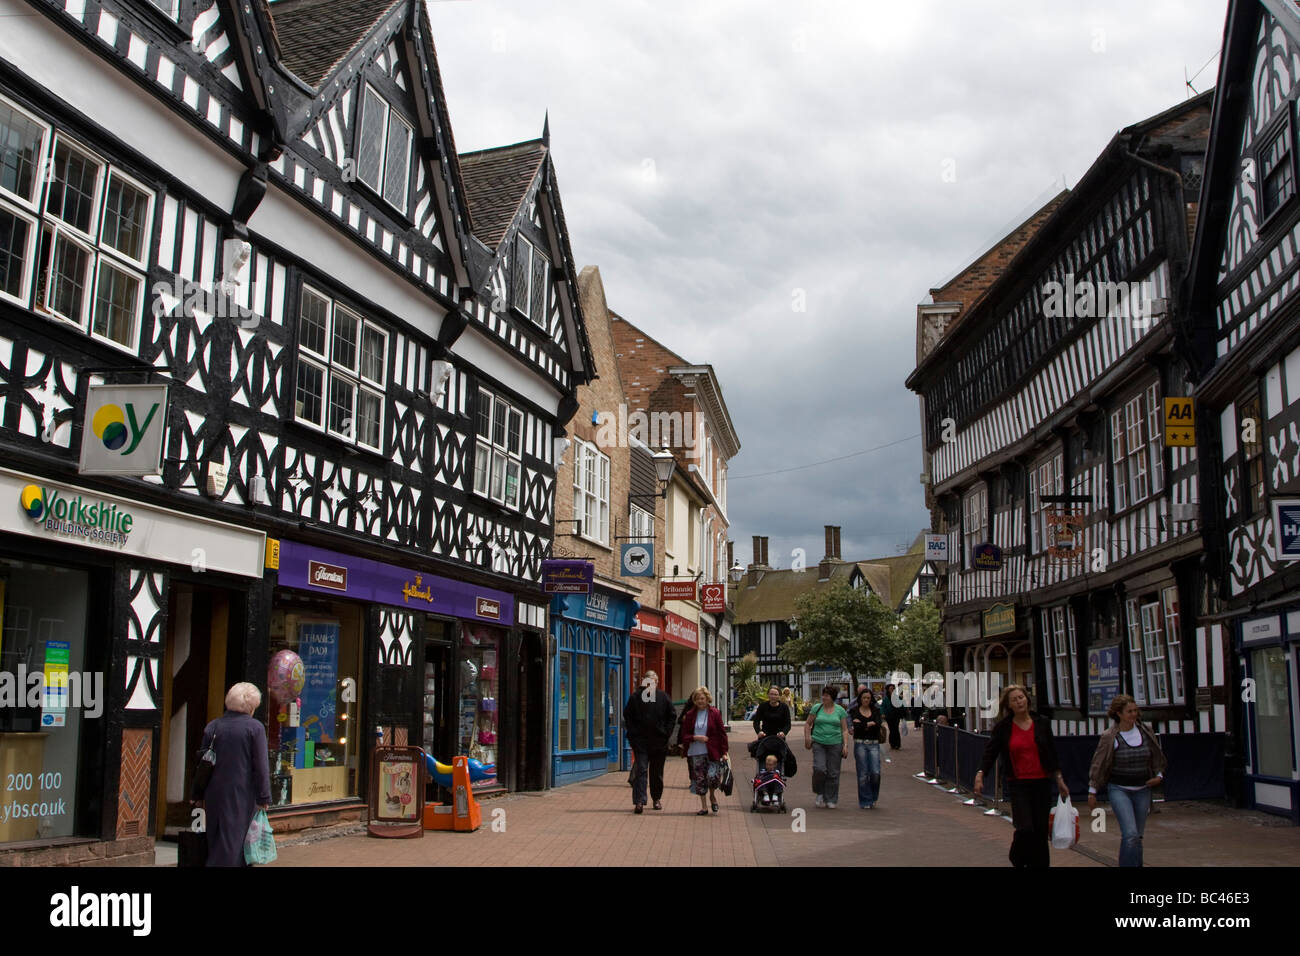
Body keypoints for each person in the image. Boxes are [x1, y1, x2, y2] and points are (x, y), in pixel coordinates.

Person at [974, 685, 1070, 867]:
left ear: (1027, 699)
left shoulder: (1042, 723)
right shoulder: (1003, 728)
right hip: (1018, 784)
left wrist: (1059, 779)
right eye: (1014, 700)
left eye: (1021, 697)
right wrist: (980, 774)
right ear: (1009, 705)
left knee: (1040, 831)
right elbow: (990, 753)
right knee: (1025, 828)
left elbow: (1051, 754)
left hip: (1041, 783)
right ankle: (1017, 858)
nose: (1019, 702)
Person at [195, 682, 272, 867]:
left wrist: (197, 794)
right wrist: (264, 797)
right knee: (235, 844)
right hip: (241, 794)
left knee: (217, 839)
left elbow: (202, 764)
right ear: (251, 706)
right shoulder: (255, 728)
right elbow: (261, 765)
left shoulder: (213, 726)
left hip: (214, 793)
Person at [1087, 695, 1168, 867]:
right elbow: (1098, 764)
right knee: (1130, 833)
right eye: (1129, 711)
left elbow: (1157, 756)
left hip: (1143, 788)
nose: (1133, 714)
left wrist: (1159, 776)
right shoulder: (1110, 736)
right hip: (1119, 789)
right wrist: (1092, 791)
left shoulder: (1146, 731)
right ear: (1119, 714)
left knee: (1137, 836)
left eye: (1135, 710)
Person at [623, 670, 678, 813]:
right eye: (648, 680)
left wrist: (666, 733)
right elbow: (627, 716)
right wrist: (633, 734)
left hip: (659, 742)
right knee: (641, 770)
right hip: (640, 742)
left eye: (654, 680)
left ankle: (656, 798)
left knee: (657, 772)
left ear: (657, 682)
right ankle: (639, 801)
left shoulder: (663, 697)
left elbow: (672, 716)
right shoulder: (635, 698)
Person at [680, 686, 728, 815]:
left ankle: (712, 796)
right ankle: (704, 806)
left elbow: (722, 733)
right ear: (694, 701)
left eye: (702, 698)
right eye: (697, 699)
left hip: (712, 751)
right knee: (700, 779)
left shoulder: (715, 713)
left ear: (707, 699)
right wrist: (695, 737)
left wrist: (724, 751)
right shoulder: (690, 715)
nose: (700, 701)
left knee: (713, 778)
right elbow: (684, 735)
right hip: (695, 752)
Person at [803, 684, 850, 808]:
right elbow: (808, 724)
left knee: (833, 773)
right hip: (819, 742)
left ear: (832, 697)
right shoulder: (817, 708)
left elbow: (844, 729)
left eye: (827, 695)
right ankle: (819, 792)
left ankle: (831, 799)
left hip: (835, 743)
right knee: (819, 769)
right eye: (823, 695)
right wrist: (807, 738)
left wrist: (845, 745)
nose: (824, 697)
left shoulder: (840, 710)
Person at [849, 687, 884, 809]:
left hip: (874, 743)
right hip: (860, 744)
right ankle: (865, 800)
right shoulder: (854, 710)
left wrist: (863, 724)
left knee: (875, 772)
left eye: (868, 698)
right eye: (864, 698)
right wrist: (869, 724)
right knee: (863, 773)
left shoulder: (875, 710)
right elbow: (856, 726)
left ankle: (873, 796)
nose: (866, 700)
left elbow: (878, 723)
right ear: (860, 699)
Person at [882, 682, 903, 750]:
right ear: (888, 689)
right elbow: (883, 706)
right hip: (889, 716)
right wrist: (882, 713)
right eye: (890, 688)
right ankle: (892, 744)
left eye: (893, 688)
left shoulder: (897, 696)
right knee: (891, 729)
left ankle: (897, 744)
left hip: (896, 715)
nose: (892, 690)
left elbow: (901, 705)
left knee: (896, 729)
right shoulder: (885, 698)